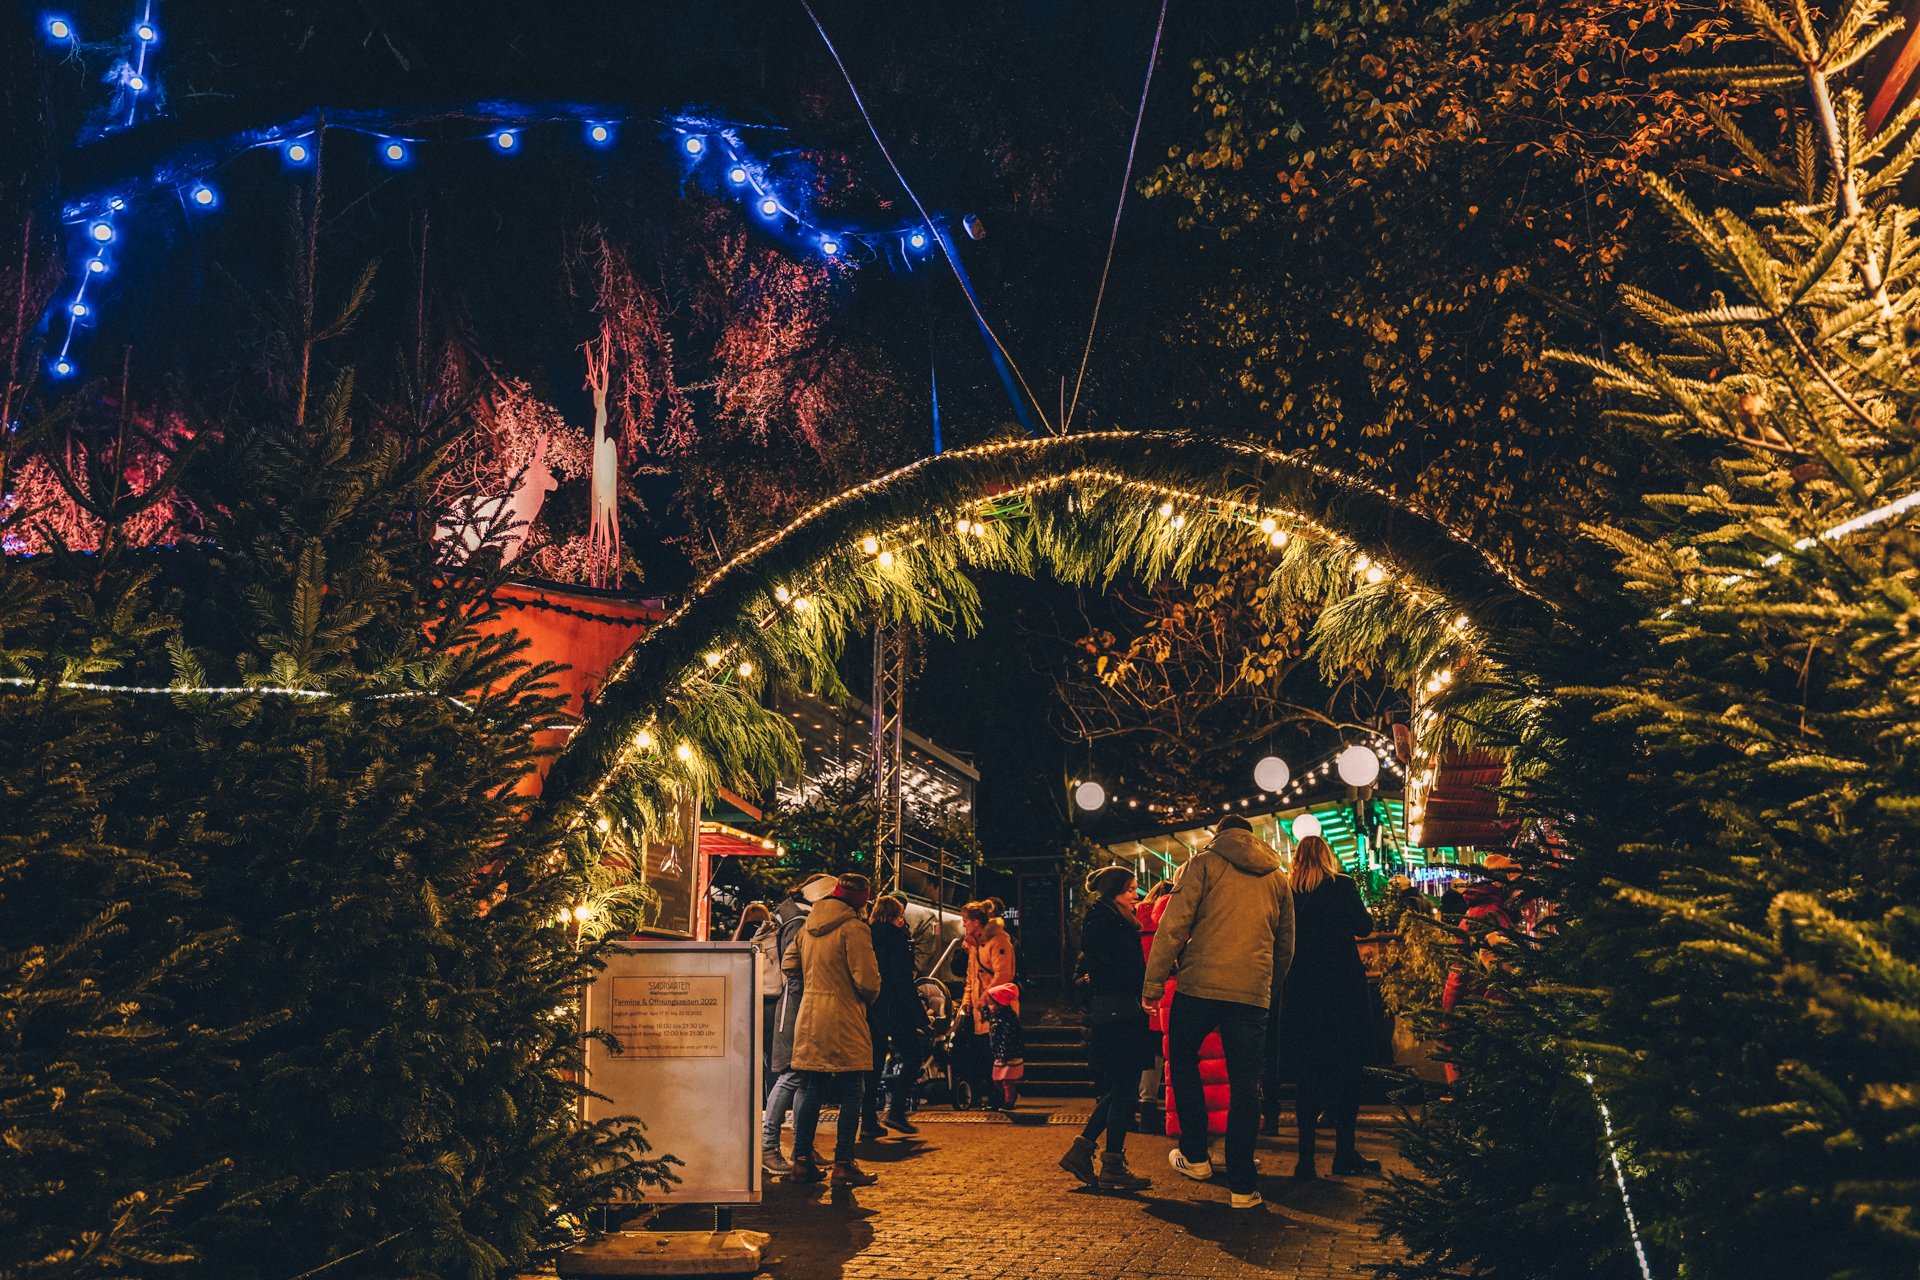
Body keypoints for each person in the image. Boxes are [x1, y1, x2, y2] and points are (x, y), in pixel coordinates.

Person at [1142, 814, 1294, 1211]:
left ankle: (1195, 1155)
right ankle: (1243, 1187)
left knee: (1182, 1060)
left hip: (1199, 988)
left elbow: (1173, 926)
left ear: (1220, 835)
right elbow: (1286, 945)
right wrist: (1266, 987)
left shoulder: (1203, 864)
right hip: (1251, 994)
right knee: (1247, 1085)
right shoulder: (1277, 877)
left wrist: (1153, 984)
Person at [1277, 835, 1380, 1179]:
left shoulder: (1288, 893)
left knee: (1307, 1074)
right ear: (1327, 857)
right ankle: (1344, 1153)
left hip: (1303, 991)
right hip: (1343, 990)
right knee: (1348, 1070)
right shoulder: (1342, 885)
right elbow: (1365, 927)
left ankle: (1305, 1160)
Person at [783, 873, 883, 1187]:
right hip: (844, 1017)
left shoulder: (807, 926)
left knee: (813, 1087)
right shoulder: (854, 928)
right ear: (860, 901)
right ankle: (844, 1163)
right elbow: (867, 981)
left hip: (811, 1015)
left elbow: (788, 964)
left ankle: (801, 1160)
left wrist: (815, 980)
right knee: (854, 1089)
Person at [1060, 866, 1153, 1191]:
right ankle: (1110, 1162)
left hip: (1119, 1009)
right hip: (1117, 1012)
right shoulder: (1104, 922)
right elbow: (1110, 970)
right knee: (1123, 1089)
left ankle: (1084, 1151)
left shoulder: (1112, 919)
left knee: (1121, 1089)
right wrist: (1141, 981)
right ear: (1114, 891)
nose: (1135, 895)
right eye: (1129, 889)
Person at [761, 873, 838, 1176]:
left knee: (804, 1076)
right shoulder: (800, 923)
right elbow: (796, 970)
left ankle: (802, 1147)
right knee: (792, 1074)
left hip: (792, 1007)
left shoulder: (791, 914)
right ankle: (768, 1148)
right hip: (793, 1010)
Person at [861, 894, 928, 1138]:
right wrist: (920, 1014)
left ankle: (868, 1121)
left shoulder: (866, 935)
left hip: (874, 1007)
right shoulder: (897, 938)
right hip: (897, 1009)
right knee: (913, 1057)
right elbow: (903, 981)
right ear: (895, 915)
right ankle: (896, 1111)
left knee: (873, 1065)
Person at [960, 900, 1022, 1109]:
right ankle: (994, 1096)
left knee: (1000, 1054)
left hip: (998, 1008)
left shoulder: (998, 942)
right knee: (986, 1054)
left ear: (976, 922)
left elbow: (1003, 975)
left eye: (965, 921)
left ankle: (1003, 1097)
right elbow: (971, 977)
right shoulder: (974, 944)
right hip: (982, 1008)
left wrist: (985, 999)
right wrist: (968, 1001)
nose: (964, 925)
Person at [733, 901, 780, 1093]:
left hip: (745, 1001)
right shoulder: (775, 937)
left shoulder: (738, 939)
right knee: (771, 1056)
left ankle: (746, 1103)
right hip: (771, 999)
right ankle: (771, 1106)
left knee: (746, 1056)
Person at [1136, 879, 1172, 1112]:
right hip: (1168, 990)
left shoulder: (1137, 918)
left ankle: (1146, 1101)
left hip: (1142, 991)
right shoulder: (1169, 920)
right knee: (1168, 1049)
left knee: (1150, 1052)